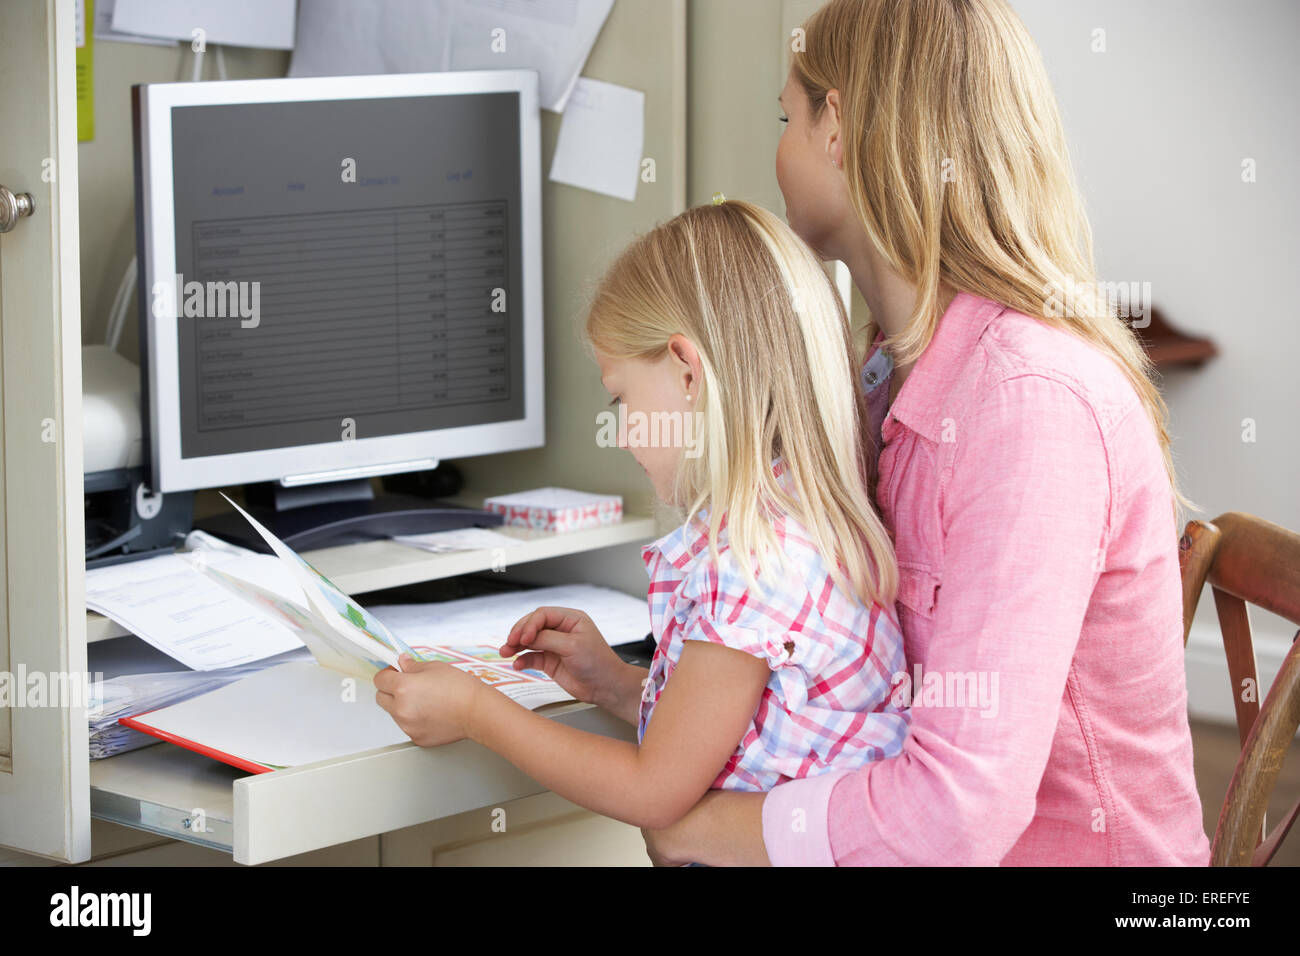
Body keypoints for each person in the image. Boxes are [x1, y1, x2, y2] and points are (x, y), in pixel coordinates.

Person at [634, 0, 1213, 866]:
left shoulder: (1028, 405)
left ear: (840, 127)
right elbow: (838, 690)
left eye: (785, 118)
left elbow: (958, 812)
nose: (778, 150)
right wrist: (634, 699)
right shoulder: (882, 376)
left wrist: (697, 828)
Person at [374, 199, 909, 833]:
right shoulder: (803, 526)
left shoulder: (753, 566)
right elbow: (737, 737)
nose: (623, 434)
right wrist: (615, 685)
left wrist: (476, 713)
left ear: (688, 373)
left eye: (621, 398)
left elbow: (654, 789)